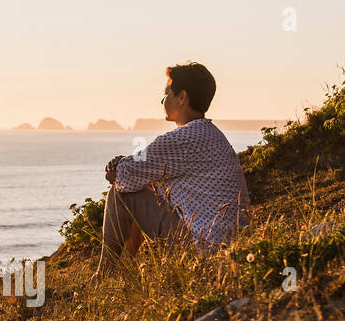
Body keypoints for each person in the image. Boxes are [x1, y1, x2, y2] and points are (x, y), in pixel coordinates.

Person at [97, 63, 250, 273]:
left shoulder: (183, 138)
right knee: (138, 188)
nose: (163, 100)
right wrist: (126, 163)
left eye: (167, 92)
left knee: (121, 194)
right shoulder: (211, 134)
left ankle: (104, 273)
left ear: (182, 97)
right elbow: (142, 168)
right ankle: (124, 272)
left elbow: (123, 176)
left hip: (202, 249)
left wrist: (117, 166)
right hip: (230, 247)